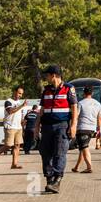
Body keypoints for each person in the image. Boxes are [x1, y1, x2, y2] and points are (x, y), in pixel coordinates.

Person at [33, 66, 78, 194]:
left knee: (60, 153)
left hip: (62, 126)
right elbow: (41, 111)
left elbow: (74, 108)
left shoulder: (69, 88)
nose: (45, 78)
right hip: (47, 126)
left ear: (53, 75)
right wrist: (37, 127)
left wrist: (74, 125)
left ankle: (57, 181)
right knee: (45, 153)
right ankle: (49, 179)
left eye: (47, 75)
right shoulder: (46, 90)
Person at [0, 85, 29, 170]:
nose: (20, 95)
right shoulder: (8, 101)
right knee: (8, 145)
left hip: (18, 127)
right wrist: (22, 106)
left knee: (17, 145)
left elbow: (19, 115)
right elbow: (11, 111)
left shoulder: (19, 103)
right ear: (14, 92)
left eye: (21, 94)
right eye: (19, 93)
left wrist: (22, 122)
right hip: (10, 126)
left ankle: (14, 164)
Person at [72, 85, 101, 173]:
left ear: (83, 93)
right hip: (91, 130)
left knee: (84, 147)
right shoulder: (98, 104)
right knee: (83, 147)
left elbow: (75, 116)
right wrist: (99, 130)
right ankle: (76, 167)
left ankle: (89, 167)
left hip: (82, 129)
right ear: (92, 93)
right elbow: (99, 118)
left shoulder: (80, 103)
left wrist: (72, 127)